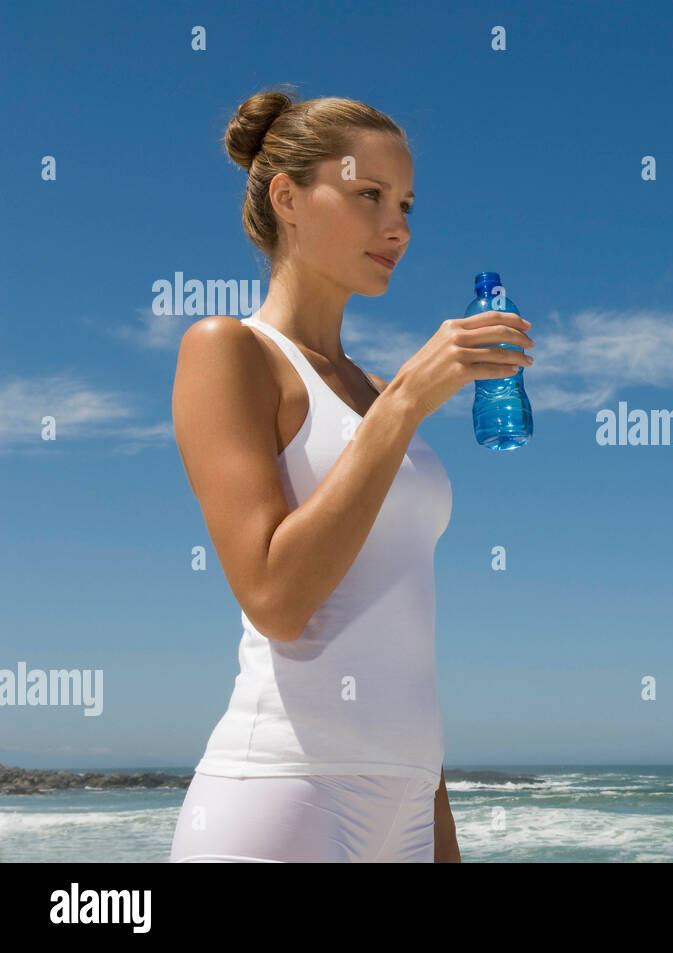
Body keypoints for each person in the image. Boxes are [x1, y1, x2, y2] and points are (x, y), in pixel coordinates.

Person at [167, 87, 534, 862]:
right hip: (284, 798)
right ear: (287, 197)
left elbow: (403, 628)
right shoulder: (228, 350)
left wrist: (436, 823)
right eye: (368, 194)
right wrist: (405, 403)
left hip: (406, 802)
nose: (397, 226)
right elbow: (276, 597)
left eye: (404, 202)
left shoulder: (368, 389)